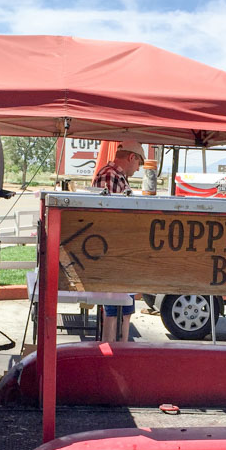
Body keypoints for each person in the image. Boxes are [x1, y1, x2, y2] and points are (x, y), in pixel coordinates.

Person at [92, 140, 144, 341]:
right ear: (132, 158)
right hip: (112, 252)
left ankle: (117, 348)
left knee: (123, 310)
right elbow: (112, 218)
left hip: (116, 252)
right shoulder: (111, 175)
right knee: (114, 312)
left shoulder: (114, 175)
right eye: (138, 163)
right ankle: (112, 352)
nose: (138, 168)